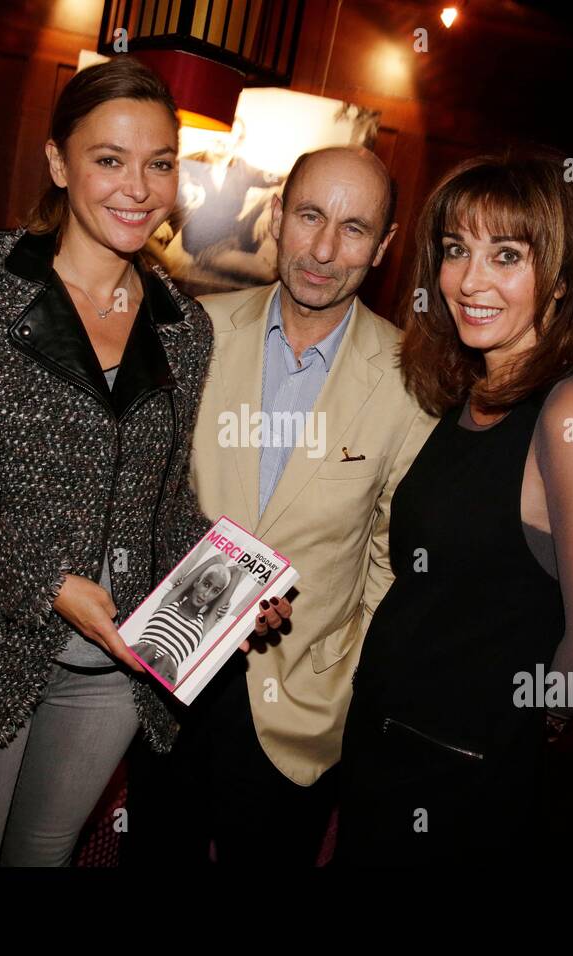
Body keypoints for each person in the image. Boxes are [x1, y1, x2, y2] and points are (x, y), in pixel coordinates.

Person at [0, 56, 287, 867]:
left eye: (160, 163)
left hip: (115, 671)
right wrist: (45, 582)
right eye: (109, 159)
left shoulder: (183, 327)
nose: (138, 188)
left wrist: (230, 592)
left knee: (45, 857)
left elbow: (162, 503)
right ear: (58, 162)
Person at [125, 145, 439, 866]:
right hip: (169, 677)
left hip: (300, 705)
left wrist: (347, 685)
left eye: (354, 229)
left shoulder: (411, 381)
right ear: (277, 214)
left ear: (384, 246)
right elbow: (142, 492)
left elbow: (393, 562)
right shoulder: (194, 330)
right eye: (310, 216)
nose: (324, 250)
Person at [335, 148, 573, 865]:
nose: (470, 281)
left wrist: (519, 726)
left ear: (562, 279)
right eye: (455, 250)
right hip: (387, 744)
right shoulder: (471, 397)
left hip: (457, 776)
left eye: (507, 256)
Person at [131, 554, 243, 685]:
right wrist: (221, 570)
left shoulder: (204, 624)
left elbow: (238, 571)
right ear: (196, 581)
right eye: (206, 584)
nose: (206, 594)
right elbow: (216, 559)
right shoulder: (171, 601)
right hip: (139, 655)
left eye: (215, 591)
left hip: (163, 673)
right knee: (150, 649)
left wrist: (224, 575)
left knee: (165, 661)